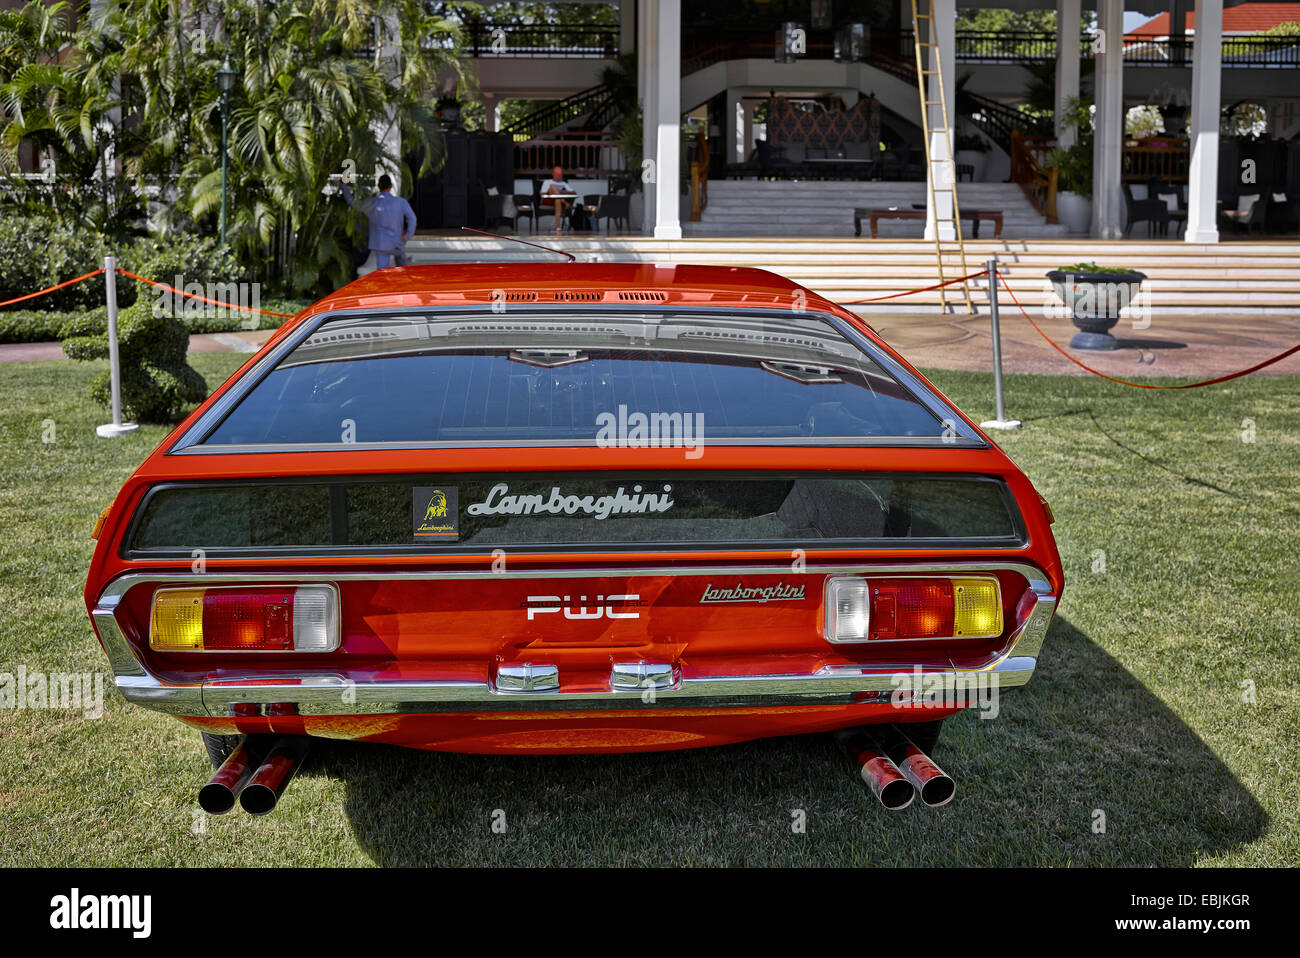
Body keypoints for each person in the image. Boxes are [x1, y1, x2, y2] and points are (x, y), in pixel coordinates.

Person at [342, 173, 416, 268]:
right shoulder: (401, 202)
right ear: (391, 186)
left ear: (379, 186)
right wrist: (408, 235)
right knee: (402, 263)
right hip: (397, 242)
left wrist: (343, 185)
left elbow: (352, 203)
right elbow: (412, 218)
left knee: (382, 273)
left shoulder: (371, 203)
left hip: (380, 244)